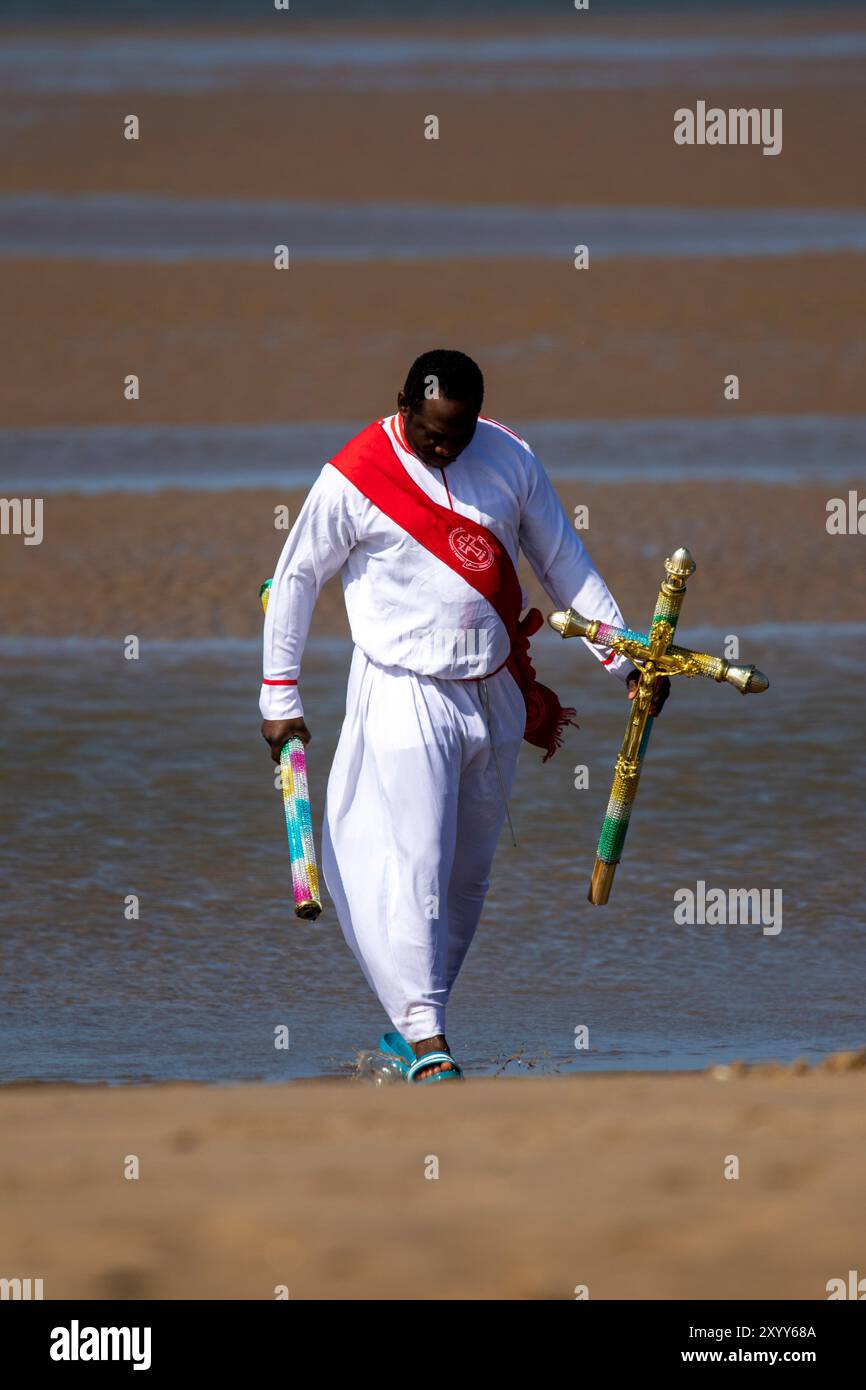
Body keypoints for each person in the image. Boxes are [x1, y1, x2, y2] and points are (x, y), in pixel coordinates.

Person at [260, 350, 669, 1082]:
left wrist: (627, 660)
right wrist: (280, 698)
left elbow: (563, 562)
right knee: (418, 860)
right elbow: (295, 577)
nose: (445, 447)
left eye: (458, 433)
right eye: (432, 433)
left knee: (467, 879)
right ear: (404, 407)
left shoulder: (510, 456)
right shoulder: (354, 475)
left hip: (496, 690)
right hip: (403, 690)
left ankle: (417, 1024)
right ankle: (428, 1042)